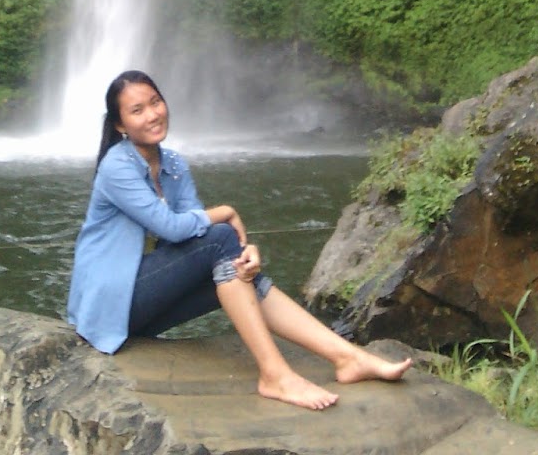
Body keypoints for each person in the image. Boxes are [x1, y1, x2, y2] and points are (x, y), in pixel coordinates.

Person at [66, 69, 412, 410]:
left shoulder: (171, 163)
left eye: (155, 101)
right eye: (137, 110)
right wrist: (227, 212)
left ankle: (347, 357)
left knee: (233, 264)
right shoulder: (117, 167)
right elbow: (173, 227)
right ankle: (276, 375)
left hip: (143, 305)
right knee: (222, 238)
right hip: (110, 308)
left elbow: (192, 235)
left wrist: (243, 252)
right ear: (120, 126)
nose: (153, 114)